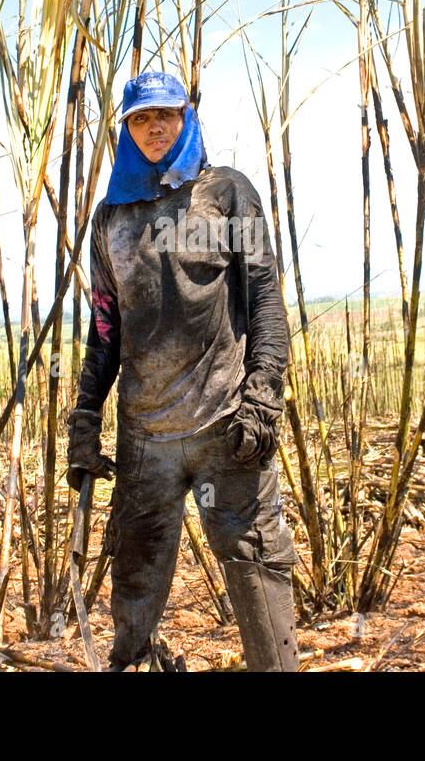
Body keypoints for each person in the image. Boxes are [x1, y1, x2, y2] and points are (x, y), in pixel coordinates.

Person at [64, 70, 299, 671]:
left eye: (164, 115)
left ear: (186, 117)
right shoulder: (110, 220)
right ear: (126, 129)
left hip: (228, 427)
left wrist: (264, 394)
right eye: (140, 119)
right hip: (146, 440)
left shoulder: (226, 194)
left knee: (255, 565)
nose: (153, 128)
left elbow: (266, 296)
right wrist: (86, 417)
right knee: (135, 577)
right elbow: (105, 328)